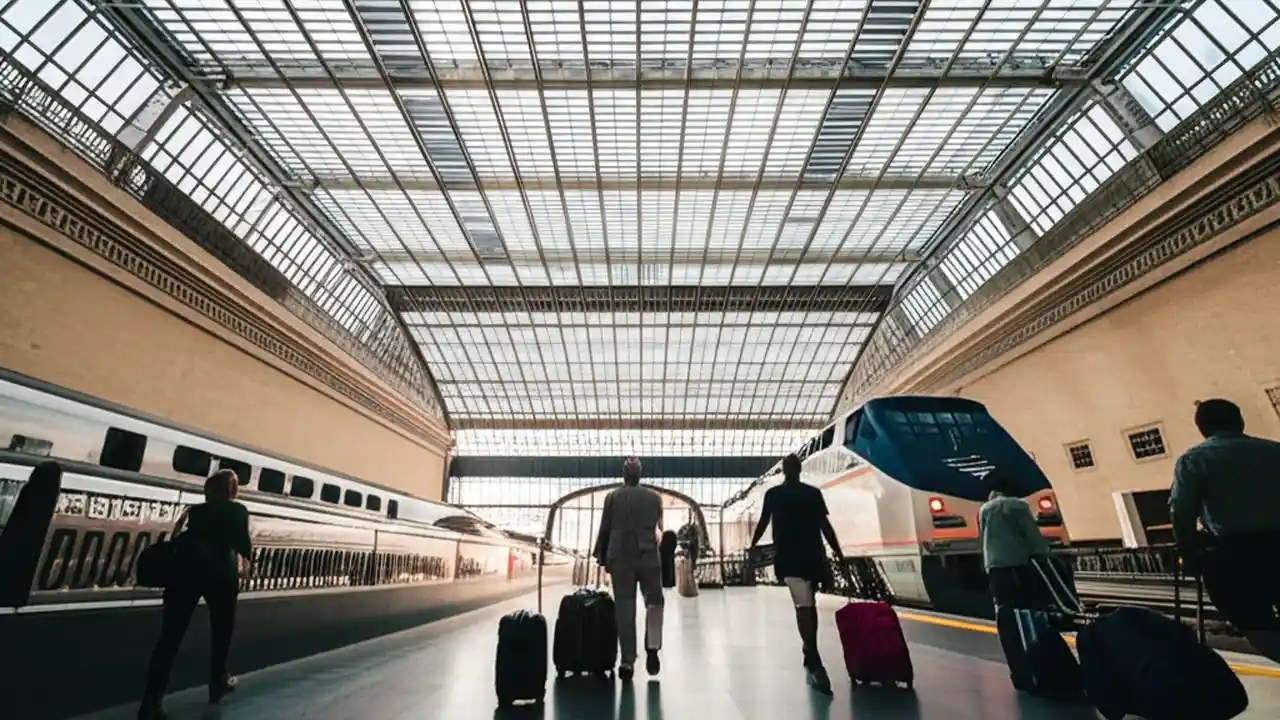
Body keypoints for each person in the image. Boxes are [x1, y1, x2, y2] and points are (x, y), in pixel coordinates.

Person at [1171, 398, 1280, 661]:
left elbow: (1181, 512)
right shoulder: (1274, 451)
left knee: (1253, 618)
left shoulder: (1193, 460)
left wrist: (1189, 554)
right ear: (1240, 421)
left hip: (1236, 555)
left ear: (1202, 428)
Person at [139, 469, 253, 720]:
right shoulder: (237, 510)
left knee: (169, 640)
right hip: (221, 577)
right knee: (221, 634)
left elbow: (177, 537)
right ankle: (217, 684)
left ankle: (151, 702)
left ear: (208, 490)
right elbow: (243, 545)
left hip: (184, 575)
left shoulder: (195, 511)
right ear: (232, 492)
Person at [748, 453, 847, 695]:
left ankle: (812, 657)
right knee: (809, 604)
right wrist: (839, 553)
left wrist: (753, 546)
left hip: (789, 558)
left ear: (784, 470)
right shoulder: (813, 494)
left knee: (804, 607)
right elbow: (825, 526)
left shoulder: (774, 495)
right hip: (813, 557)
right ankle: (810, 651)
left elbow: (763, 522)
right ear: (800, 469)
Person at [980, 470, 1078, 691]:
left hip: (996, 572)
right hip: (1020, 570)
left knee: (1007, 620)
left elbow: (983, 541)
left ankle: (1021, 673)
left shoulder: (984, 509)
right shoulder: (1017, 506)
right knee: (1033, 615)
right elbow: (1034, 542)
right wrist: (1052, 558)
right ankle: (1045, 669)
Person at [593, 456, 664, 680]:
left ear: (624, 475)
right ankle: (652, 647)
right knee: (655, 603)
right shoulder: (654, 498)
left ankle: (627, 661)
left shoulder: (612, 497)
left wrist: (601, 556)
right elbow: (659, 528)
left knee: (625, 608)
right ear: (640, 474)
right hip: (648, 556)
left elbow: (605, 528)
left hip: (620, 556)